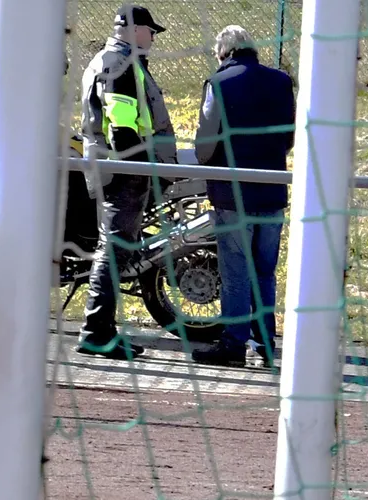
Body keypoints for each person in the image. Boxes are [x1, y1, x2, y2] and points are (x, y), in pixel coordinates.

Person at [76, 3, 176, 361]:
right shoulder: (120, 64)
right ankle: (96, 331)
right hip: (125, 170)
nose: (153, 38)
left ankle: (102, 329)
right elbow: (122, 126)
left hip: (116, 168)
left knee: (115, 249)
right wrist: (142, 167)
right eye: (150, 30)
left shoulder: (113, 60)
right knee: (115, 250)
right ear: (134, 30)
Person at [191, 25, 295, 369]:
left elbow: (206, 143)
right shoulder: (281, 82)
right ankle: (265, 343)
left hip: (233, 194)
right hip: (272, 189)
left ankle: (234, 343)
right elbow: (288, 137)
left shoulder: (218, 83)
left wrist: (206, 160)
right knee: (265, 271)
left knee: (235, 271)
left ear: (223, 52)